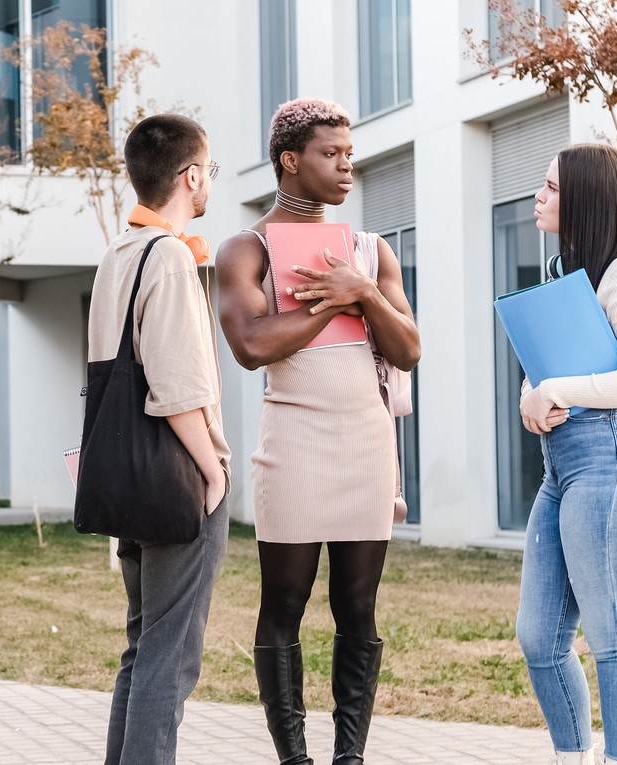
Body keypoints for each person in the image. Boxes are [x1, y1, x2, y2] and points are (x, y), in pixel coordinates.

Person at [215, 98, 420, 765]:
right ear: (289, 160)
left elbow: (409, 348)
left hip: (365, 443)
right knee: (285, 600)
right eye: (330, 155)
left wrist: (359, 290)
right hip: (293, 444)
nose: (344, 168)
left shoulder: (369, 252)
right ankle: (294, 759)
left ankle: (348, 757)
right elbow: (251, 345)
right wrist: (328, 299)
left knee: (356, 605)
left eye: (348, 156)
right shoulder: (245, 250)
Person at [517, 143, 617, 765]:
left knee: (611, 639)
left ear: (585, 198)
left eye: (551, 188)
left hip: (615, 463)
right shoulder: (571, 274)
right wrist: (534, 396)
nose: (538, 196)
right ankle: (572, 756)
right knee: (538, 638)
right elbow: (554, 375)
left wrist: (556, 389)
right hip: (564, 470)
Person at [89, 113, 230, 765]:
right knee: (170, 660)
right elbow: (176, 390)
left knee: (143, 646)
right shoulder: (169, 255)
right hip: (177, 479)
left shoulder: (118, 254)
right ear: (190, 175)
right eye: (210, 172)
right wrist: (215, 472)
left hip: (126, 476)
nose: (210, 185)